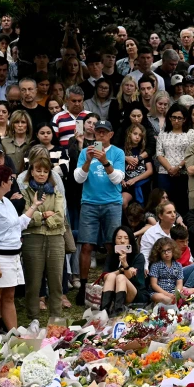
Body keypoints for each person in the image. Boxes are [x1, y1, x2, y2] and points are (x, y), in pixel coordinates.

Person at [0, 164, 44, 342]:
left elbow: (18, 224)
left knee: (9, 297)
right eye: (10, 179)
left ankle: (13, 335)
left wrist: (34, 206)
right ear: (2, 182)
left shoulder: (5, 201)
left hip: (12, 256)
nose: (12, 182)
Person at [72, 120, 125, 304]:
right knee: (86, 246)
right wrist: (88, 160)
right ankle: (84, 287)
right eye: (98, 132)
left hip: (112, 203)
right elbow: (78, 178)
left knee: (114, 244)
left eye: (105, 132)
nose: (101, 135)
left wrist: (105, 161)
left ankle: (114, 284)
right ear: (94, 134)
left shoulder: (118, 152)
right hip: (89, 203)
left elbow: (118, 178)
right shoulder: (86, 152)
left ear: (110, 134)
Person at [20, 155, 67, 322]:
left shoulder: (56, 192)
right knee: (33, 283)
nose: (41, 174)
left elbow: (61, 217)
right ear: (31, 172)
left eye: (45, 171)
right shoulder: (25, 192)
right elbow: (26, 218)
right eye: (38, 170)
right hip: (33, 239)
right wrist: (44, 216)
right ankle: (33, 319)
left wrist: (41, 217)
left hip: (56, 239)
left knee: (56, 282)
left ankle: (56, 319)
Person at [101, 226, 148, 313]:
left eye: (126, 238)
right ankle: (104, 311)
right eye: (119, 238)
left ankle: (118, 312)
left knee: (121, 278)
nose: (122, 241)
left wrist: (125, 264)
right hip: (116, 292)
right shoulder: (111, 256)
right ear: (115, 240)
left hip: (135, 293)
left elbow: (134, 279)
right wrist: (121, 270)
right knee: (111, 276)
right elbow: (105, 277)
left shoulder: (138, 256)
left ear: (130, 240)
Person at [147, 237, 190, 305]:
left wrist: (177, 293)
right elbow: (154, 284)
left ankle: (177, 303)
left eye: (169, 250)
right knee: (162, 298)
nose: (166, 253)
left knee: (192, 291)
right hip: (159, 292)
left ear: (173, 250)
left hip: (173, 291)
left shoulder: (178, 265)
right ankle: (172, 305)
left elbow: (179, 283)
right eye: (163, 251)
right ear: (158, 252)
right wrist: (167, 294)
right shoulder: (155, 265)